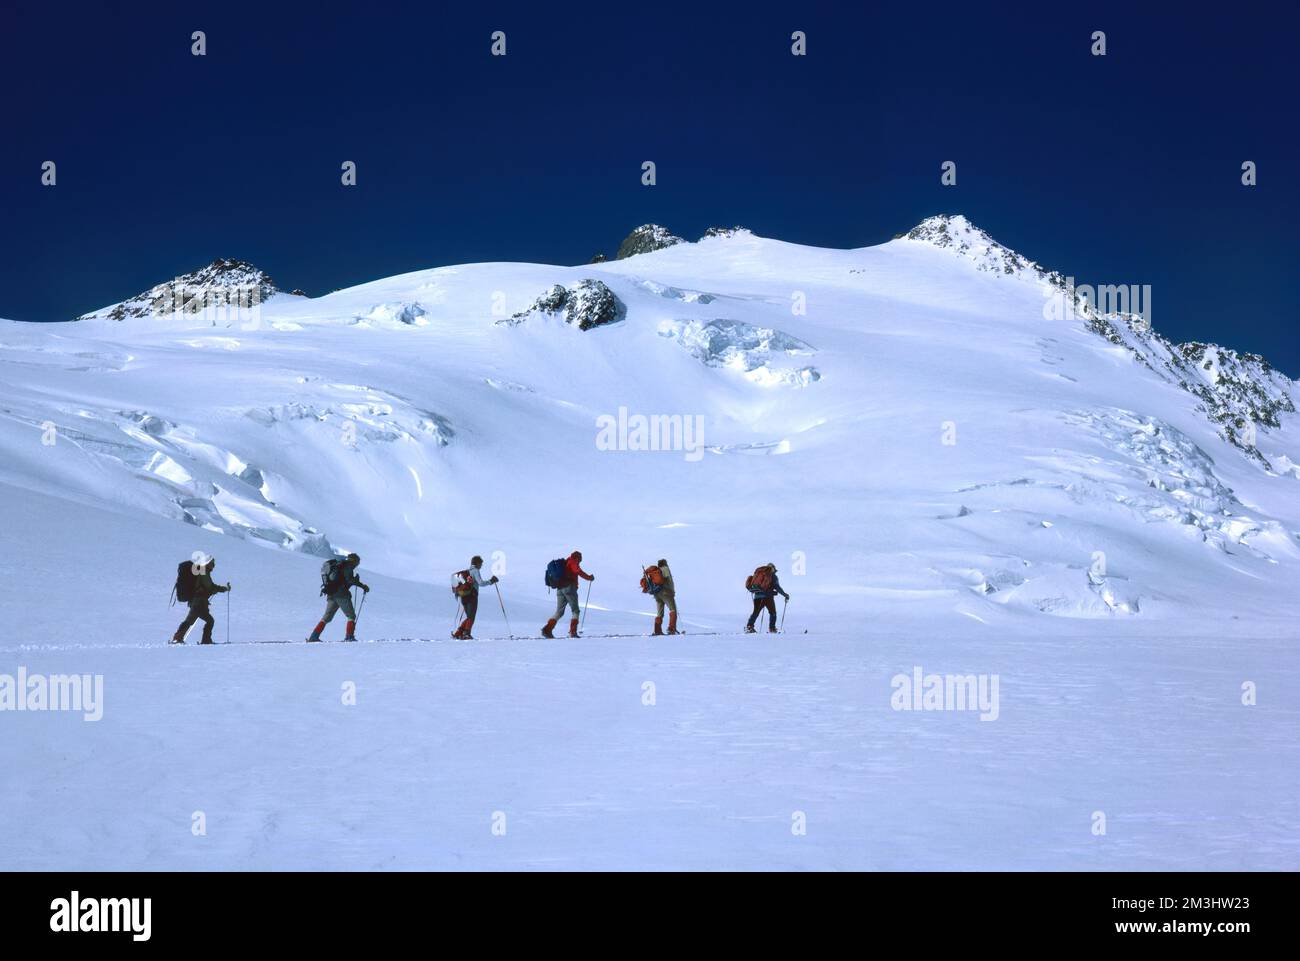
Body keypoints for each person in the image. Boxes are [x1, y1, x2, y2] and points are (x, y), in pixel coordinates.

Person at [308, 553, 369, 642]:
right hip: (341, 594)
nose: (357, 565)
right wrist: (361, 585)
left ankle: (313, 636)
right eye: (357, 562)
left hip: (331, 594)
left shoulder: (339, 566)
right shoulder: (348, 567)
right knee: (351, 615)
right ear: (354, 561)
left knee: (326, 617)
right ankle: (349, 637)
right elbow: (349, 580)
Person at [171, 557, 230, 645]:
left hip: (199, 602)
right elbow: (210, 586)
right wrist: (224, 589)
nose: (213, 566)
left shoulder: (203, 571)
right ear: (208, 563)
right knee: (193, 620)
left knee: (207, 620)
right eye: (212, 563)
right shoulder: (203, 572)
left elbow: (209, 587)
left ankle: (204, 640)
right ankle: (178, 638)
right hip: (199, 602)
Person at [542, 550, 594, 638]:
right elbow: (577, 571)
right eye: (580, 559)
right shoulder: (573, 562)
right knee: (575, 610)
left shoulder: (566, 563)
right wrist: (589, 577)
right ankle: (573, 632)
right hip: (569, 588)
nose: (579, 561)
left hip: (559, 589)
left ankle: (547, 630)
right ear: (577, 558)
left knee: (559, 612)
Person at [453, 555, 499, 639]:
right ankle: (466, 634)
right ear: (477, 563)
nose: (481, 565)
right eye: (481, 564)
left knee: (469, 617)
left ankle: (458, 633)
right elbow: (481, 583)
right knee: (471, 617)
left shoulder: (467, 571)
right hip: (472, 596)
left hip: (463, 596)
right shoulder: (475, 571)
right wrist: (491, 581)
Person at [745, 562, 789, 634]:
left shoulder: (759, 573)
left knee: (755, 612)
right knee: (773, 613)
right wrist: (785, 594)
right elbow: (777, 587)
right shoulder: (772, 576)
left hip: (757, 596)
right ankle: (772, 628)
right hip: (767, 597)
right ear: (773, 569)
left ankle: (749, 627)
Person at [648, 558, 678, 635]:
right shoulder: (666, 569)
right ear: (665, 563)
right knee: (673, 610)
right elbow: (670, 581)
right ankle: (672, 629)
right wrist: (672, 592)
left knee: (659, 613)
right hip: (666, 593)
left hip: (657, 594)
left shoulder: (656, 571)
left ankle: (657, 630)